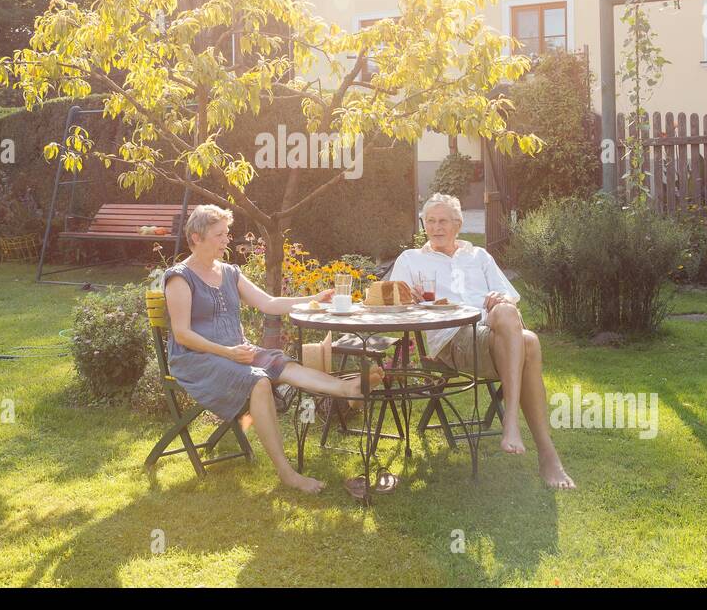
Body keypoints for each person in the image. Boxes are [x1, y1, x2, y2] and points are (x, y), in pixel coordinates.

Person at [162, 204, 368, 494]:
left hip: (237, 352)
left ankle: (346, 390)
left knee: (282, 364)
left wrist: (315, 298)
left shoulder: (230, 273)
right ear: (196, 237)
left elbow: (268, 303)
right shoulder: (180, 277)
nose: (226, 240)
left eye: (226, 234)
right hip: (196, 359)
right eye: (219, 235)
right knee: (258, 380)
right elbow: (182, 334)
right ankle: (287, 474)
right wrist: (228, 353)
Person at [390, 193, 576, 490]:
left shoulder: (479, 256)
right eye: (430, 221)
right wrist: (405, 298)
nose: (436, 227)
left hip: (492, 333)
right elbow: (391, 301)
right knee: (530, 342)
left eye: (443, 221)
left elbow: (510, 297)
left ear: (458, 225)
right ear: (424, 224)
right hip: (452, 339)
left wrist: (500, 298)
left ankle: (515, 426)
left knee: (506, 311)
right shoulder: (411, 260)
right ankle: (544, 452)